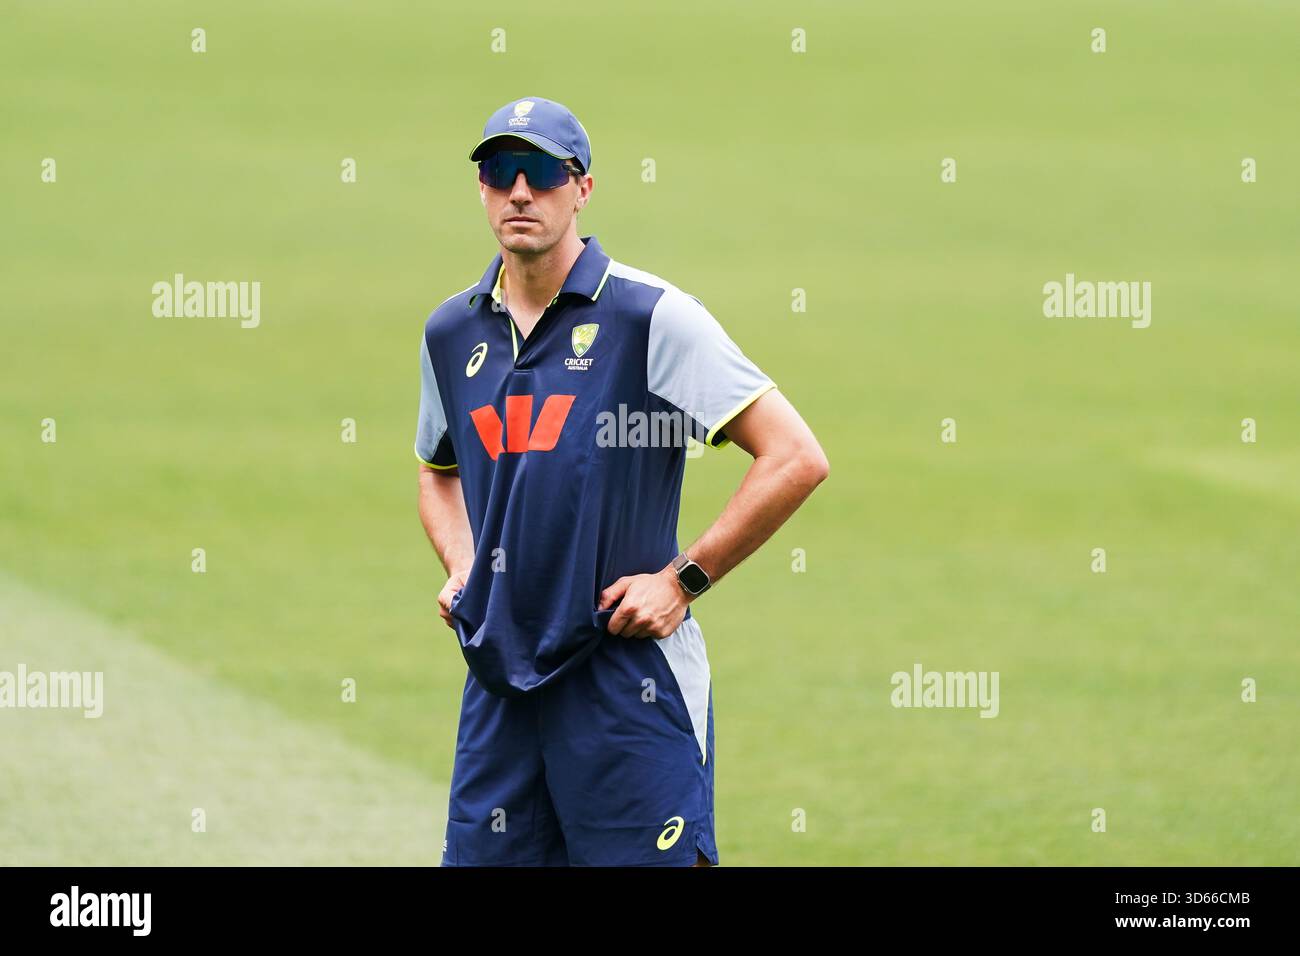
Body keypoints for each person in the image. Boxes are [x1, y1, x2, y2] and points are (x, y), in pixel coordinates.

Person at [416, 96, 828, 866]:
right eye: (499, 172)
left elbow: (794, 456)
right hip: (499, 684)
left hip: (625, 683)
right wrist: (464, 564)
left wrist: (683, 579)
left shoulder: (650, 317)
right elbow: (436, 475)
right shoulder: (452, 332)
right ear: (480, 189)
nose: (519, 193)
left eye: (540, 173)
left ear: (582, 189)